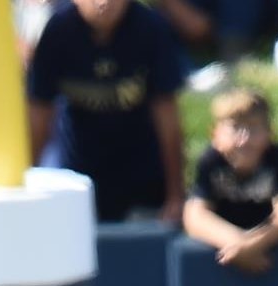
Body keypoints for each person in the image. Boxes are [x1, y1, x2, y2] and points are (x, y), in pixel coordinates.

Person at [25, 0, 185, 224]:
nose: (104, 3)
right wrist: (26, 183)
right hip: (75, 171)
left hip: (141, 173)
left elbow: (167, 114)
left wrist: (175, 195)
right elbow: (39, 112)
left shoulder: (151, 27)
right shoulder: (58, 31)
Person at [184, 88, 278, 275]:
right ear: (214, 134)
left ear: (269, 132)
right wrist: (239, 245)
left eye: (254, 128)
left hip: (268, 252)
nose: (244, 140)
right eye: (235, 128)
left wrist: (253, 246)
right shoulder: (210, 162)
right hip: (227, 251)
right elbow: (194, 217)